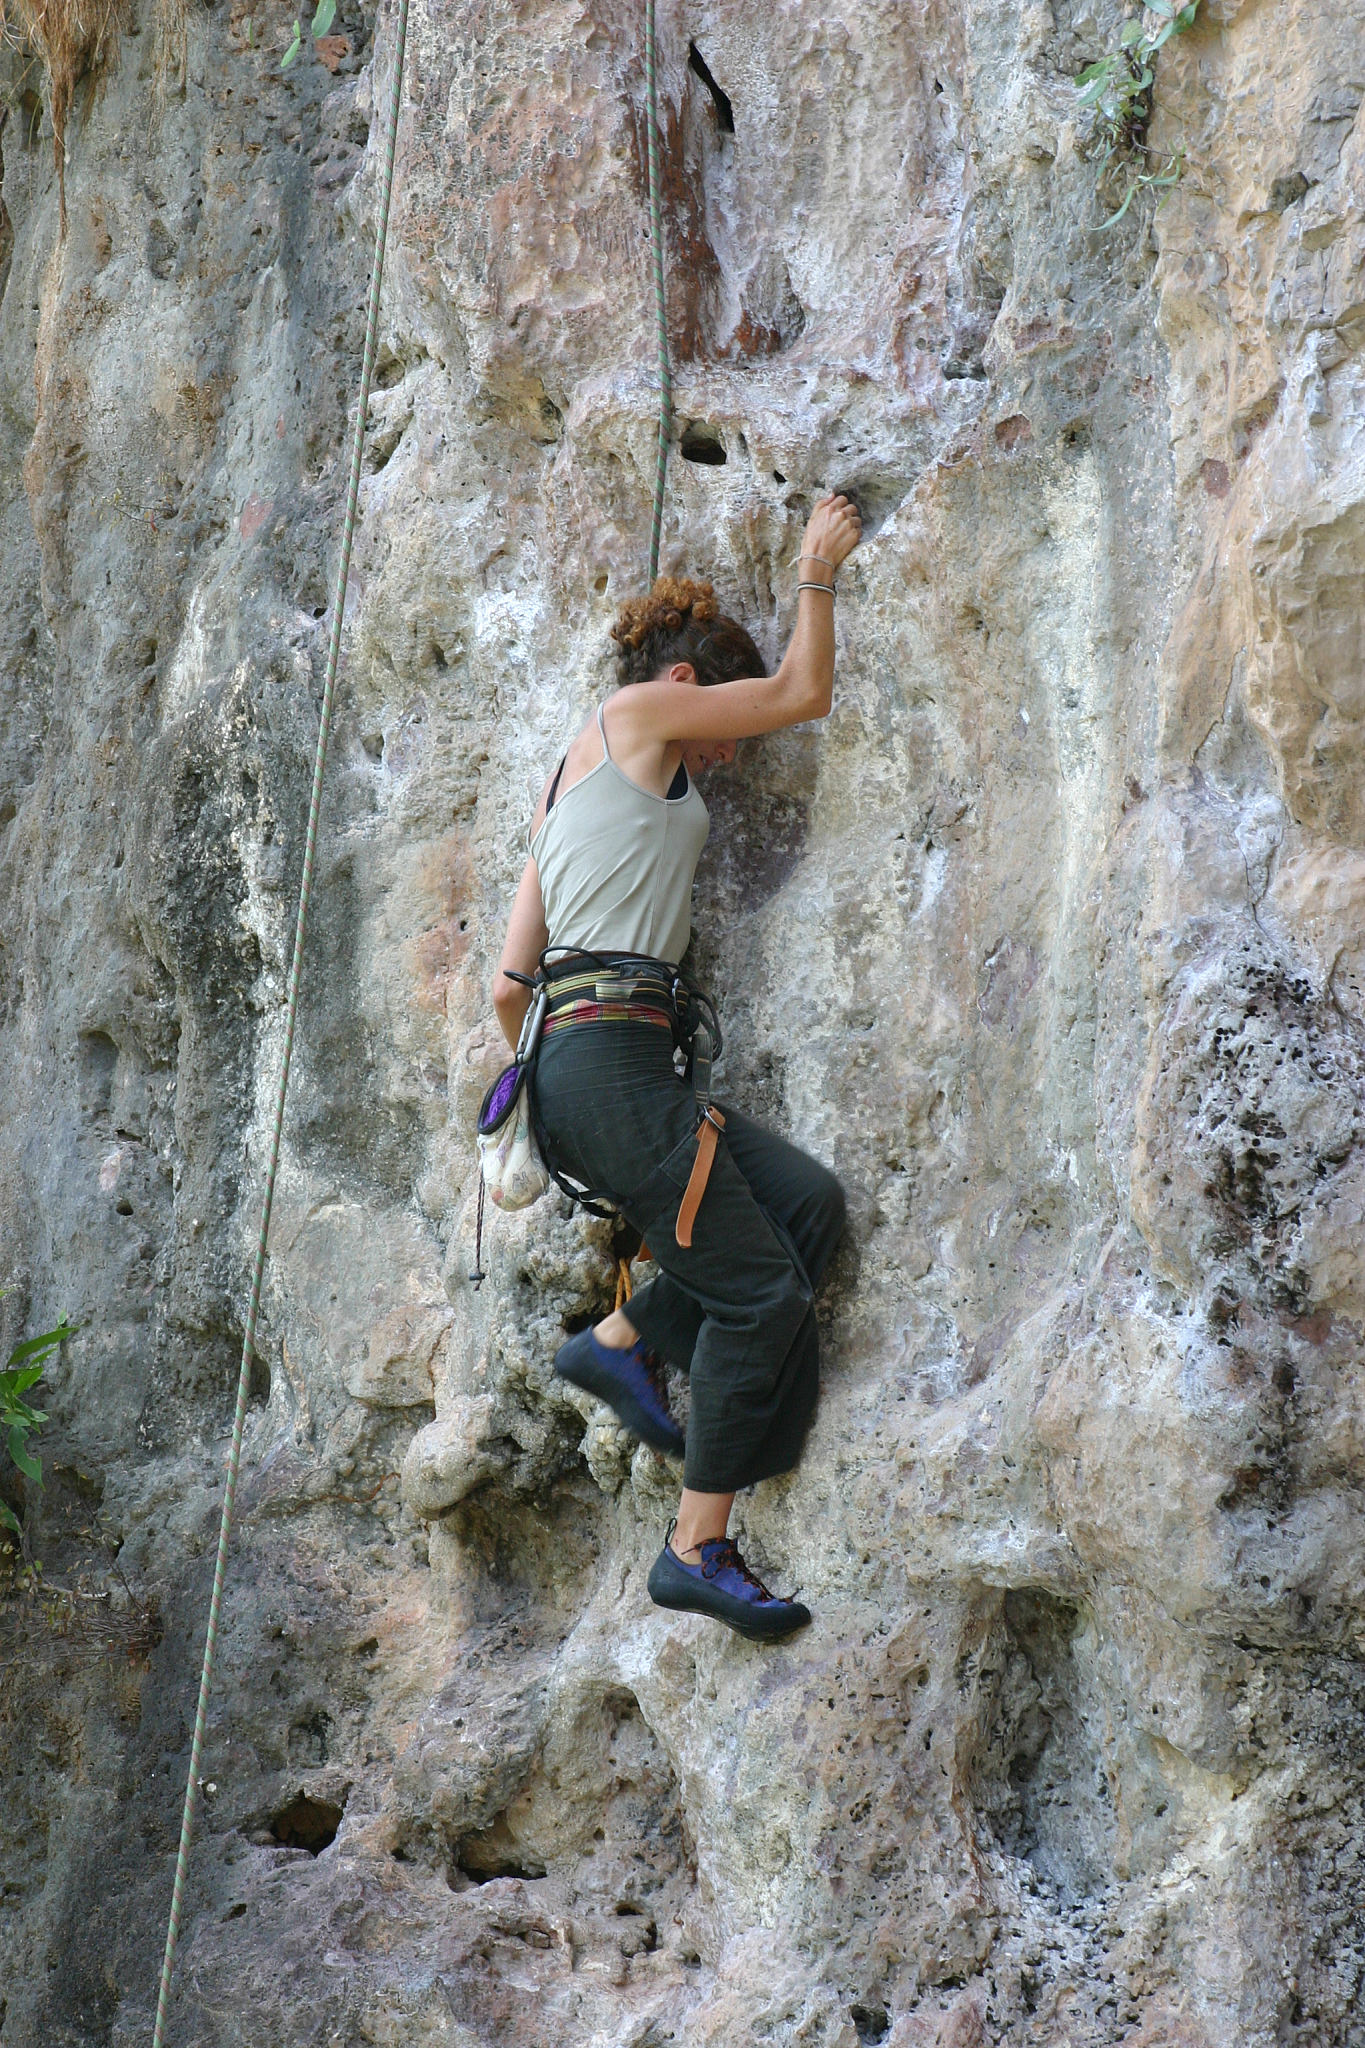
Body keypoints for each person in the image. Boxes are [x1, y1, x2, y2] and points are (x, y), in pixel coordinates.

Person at [492, 493, 861, 1641]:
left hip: (581, 1058)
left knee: (806, 1204)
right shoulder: (638, 710)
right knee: (762, 1294)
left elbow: (509, 986)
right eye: (720, 739)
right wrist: (815, 572)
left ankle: (620, 1340)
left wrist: (586, 1083)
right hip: (611, 1064)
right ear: (689, 687)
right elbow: (803, 694)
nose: (721, 759)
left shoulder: (565, 787)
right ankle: (697, 1543)